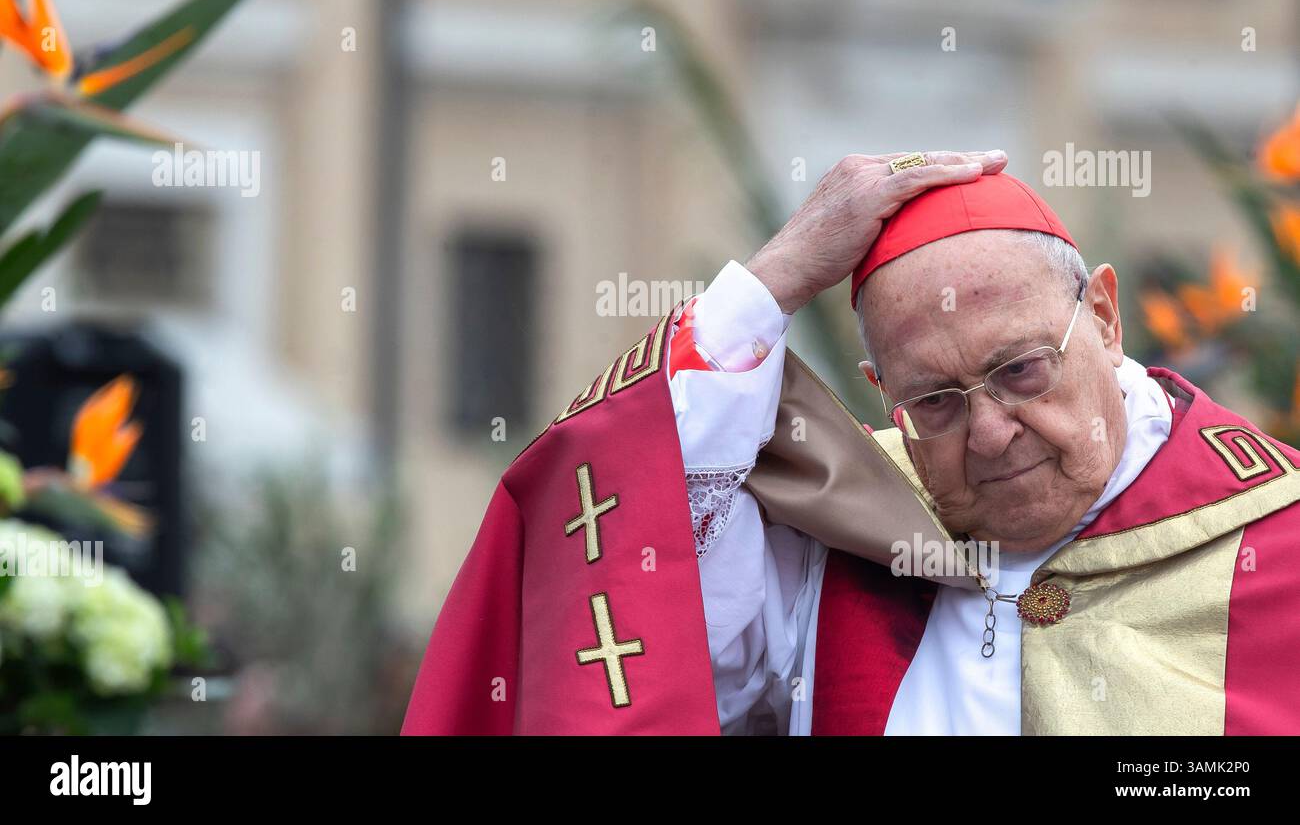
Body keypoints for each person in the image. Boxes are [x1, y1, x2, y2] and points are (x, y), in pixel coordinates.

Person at [402, 150, 1300, 735]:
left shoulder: (1275, 537)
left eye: (1022, 370)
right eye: (936, 403)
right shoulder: (836, 531)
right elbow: (622, 575)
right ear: (881, 393)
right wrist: (769, 284)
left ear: (1103, 316)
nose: (991, 434)